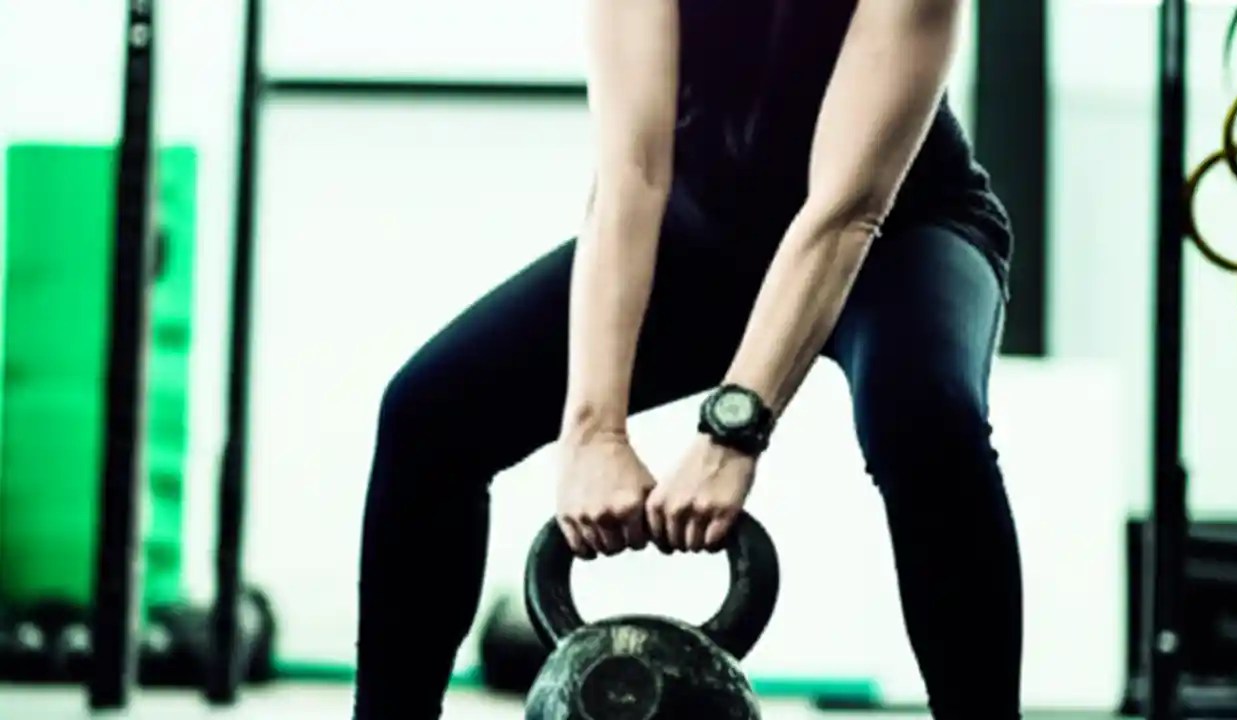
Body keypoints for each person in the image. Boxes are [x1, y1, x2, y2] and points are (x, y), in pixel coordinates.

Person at [353, 0, 1023, 718]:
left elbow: (844, 211)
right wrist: (592, 430)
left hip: (901, 232)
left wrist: (732, 431)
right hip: (706, 230)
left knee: (924, 417)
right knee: (428, 415)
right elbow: (632, 177)